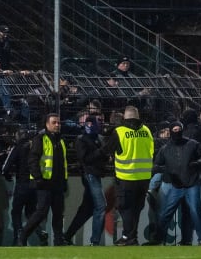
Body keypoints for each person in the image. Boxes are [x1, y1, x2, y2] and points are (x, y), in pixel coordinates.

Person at [145, 120, 201, 245]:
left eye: (178, 129)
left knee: (195, 211)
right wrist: (166, 170)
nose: (177, 132)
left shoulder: (193, 144)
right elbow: (156, 166)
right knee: (167, 213)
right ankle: (158, 238)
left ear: (182, 130)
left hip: (191, 183)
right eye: (174, 130)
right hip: (175, 185)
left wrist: (196, 164)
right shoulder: (165, 149)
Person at [103, 105, 155, 246]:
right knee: (136, 209)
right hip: (144, 177)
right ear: (137, 116)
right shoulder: (147, 131)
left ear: (125, 117)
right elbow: (151, 152)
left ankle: (128, 236)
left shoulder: (120, 132)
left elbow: (107, 150)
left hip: (126, 177)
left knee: (124, 207)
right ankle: (133, 237)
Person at [21, 113, 68, 246]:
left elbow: (63, 163)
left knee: (58, 213)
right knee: (41, 213)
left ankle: (59, 240)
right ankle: (23, 235)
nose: (57, 125)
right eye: (54, 122)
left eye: (58, 122)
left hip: (57, 183)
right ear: (47, 124)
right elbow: (32, 160)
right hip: (44, 183)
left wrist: (64, 181)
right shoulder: (40, 138)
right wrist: (38, 178)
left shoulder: (60, 140)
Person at [61, 115, 109, 246]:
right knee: (100, 206)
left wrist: (102, 154)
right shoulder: (81, 139)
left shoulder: (99, 138)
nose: (91, 126)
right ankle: (95, 241)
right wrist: (101, 153)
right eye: (89, 123)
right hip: (90, 175)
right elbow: (85, 159)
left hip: (96, 174)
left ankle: (67, 236)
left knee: (86, 209)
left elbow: (105, 157)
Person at [1, 129, 42, 246]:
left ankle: (18, 237)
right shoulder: (36, 147)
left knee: (16, 212)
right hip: (35, 184)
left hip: (22, 183)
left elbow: (6, 167)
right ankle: (40, 231)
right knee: (31, 212)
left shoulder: (18, 147)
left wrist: (7, 175)